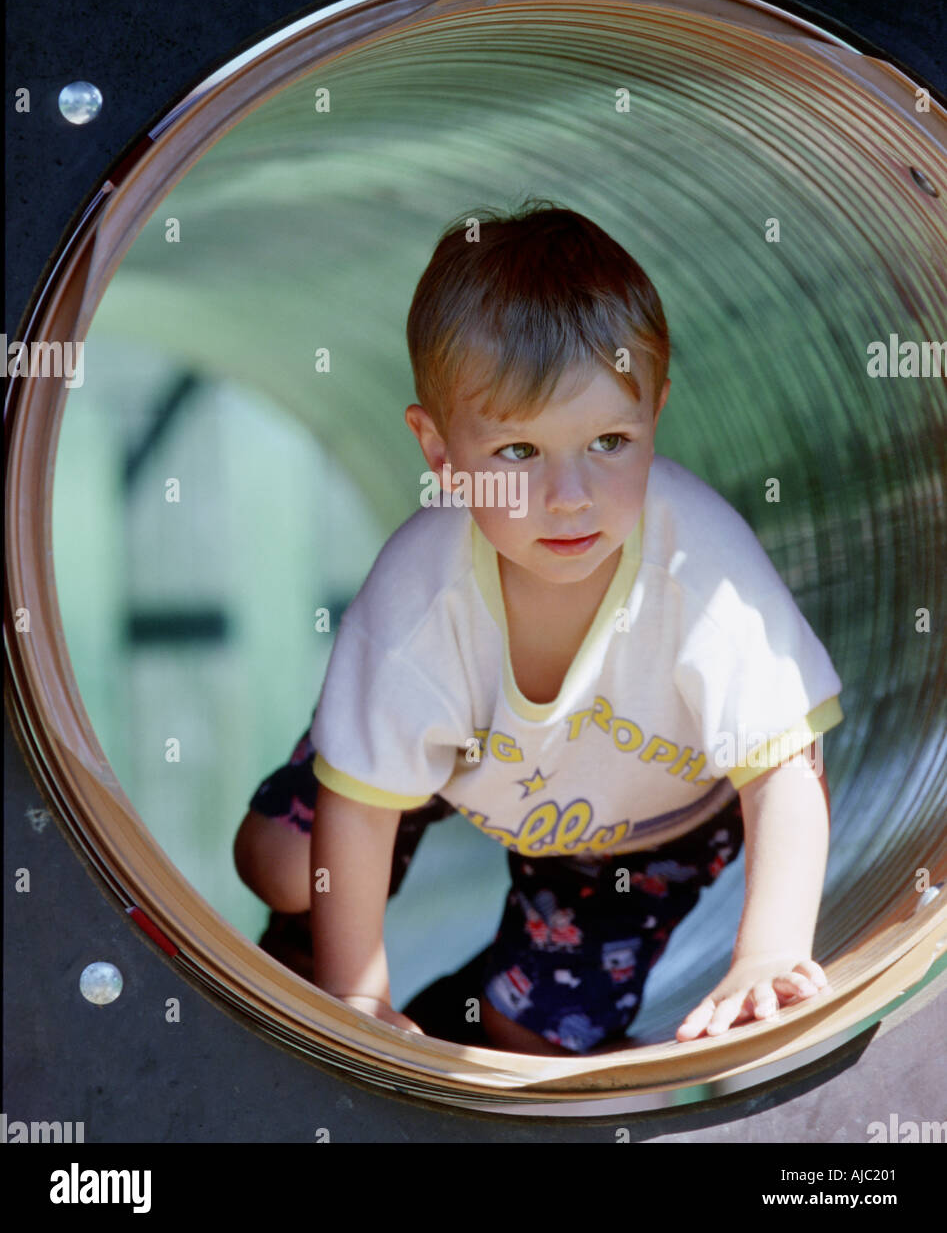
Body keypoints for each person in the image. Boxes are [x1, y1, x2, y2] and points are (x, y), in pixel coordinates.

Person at [233, 198, 841, 1056]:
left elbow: (786, 769)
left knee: (532, 1038)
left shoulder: (698, 566)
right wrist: (354, 994)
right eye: (517, 453)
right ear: (440, 453)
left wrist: (768, 954)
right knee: (283, 864)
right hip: (462, 757)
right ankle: (303, 946)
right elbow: (360, 810)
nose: (569, 496)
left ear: (655, 414)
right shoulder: (420, 592)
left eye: (608, 440)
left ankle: (451, 1031)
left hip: (645, 828)